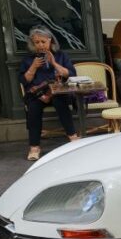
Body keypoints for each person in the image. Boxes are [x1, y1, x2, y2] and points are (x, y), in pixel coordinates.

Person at [18, 25, 79, 161]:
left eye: (43, 42)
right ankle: (34, 147)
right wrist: (33, 66)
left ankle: (73, 136)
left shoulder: (61, 55)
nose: (40, 45)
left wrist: (54, 63)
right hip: (37, 94)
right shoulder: (29, 59)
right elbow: (24, 80)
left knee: (60, 102)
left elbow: (71, 74)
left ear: (50, 40)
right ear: (33, 43)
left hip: (57, 92)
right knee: (34, 107)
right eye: (37, 42)